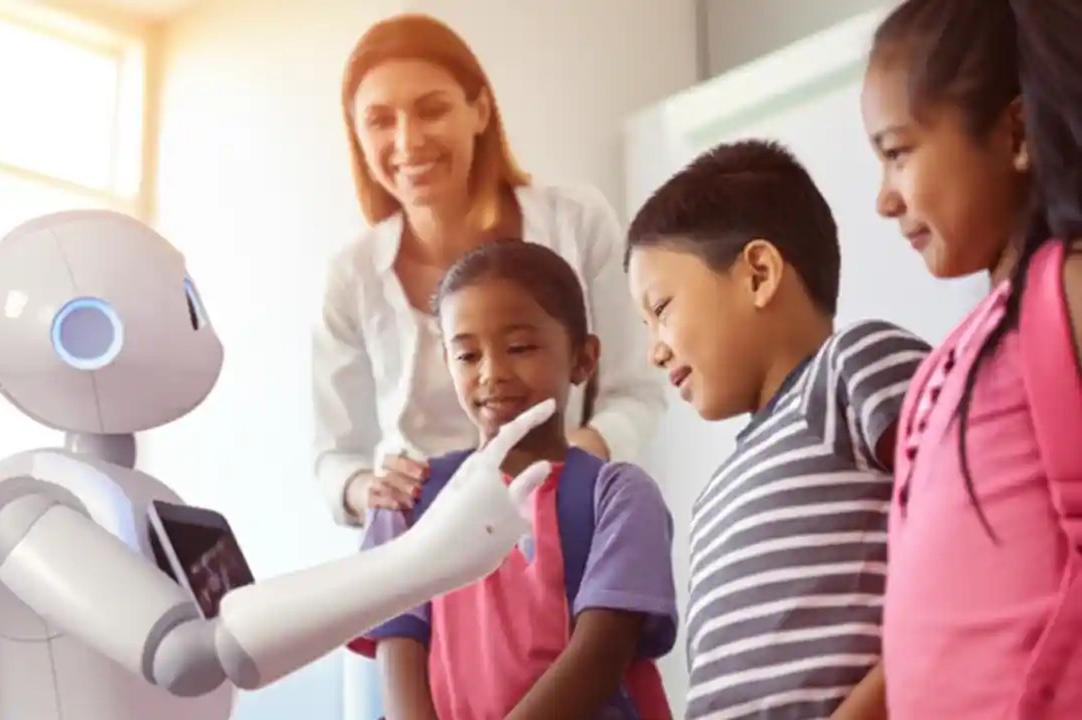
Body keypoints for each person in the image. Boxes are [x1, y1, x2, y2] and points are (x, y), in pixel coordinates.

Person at [312, 12, 663, 528]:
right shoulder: (352, 275)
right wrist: (368, 489)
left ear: (479, 110)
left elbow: (636, 392)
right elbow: (333, 458)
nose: (408, 142)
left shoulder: (577, 221)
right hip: (422, 538)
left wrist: (563, 467)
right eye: (380, 120)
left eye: (431, 110)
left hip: (562, 514)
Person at [625, 139, 931, 719]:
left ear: (759, 274)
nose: (654, 353)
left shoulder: (856, 366)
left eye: (661, 309)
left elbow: (977, 547)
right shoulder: (714, 497)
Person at [349, 240, 678, 720]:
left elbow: (602, 653)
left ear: (584, 358)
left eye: (520, 348)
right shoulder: (408, 498)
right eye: (466, 356)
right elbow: (398, 647)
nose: (492, 373)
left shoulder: (620, 498)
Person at [861, 1, 1082, 717]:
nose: (884, 199)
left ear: (1016, 131)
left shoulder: (1067, 294)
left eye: (898, 152)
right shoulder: (946, 364)